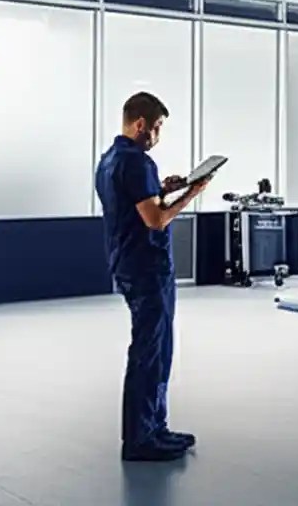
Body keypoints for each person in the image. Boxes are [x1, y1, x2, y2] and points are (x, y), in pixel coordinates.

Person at [95, 91, 212, 462]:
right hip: (148, 267)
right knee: (150, 352)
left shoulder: (109, 160)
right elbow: (156, 219)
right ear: (141, 124)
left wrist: (162, 190)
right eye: (157, 127)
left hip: (127, 262)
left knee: (156, 350)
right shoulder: (139, 162)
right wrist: (192, 193)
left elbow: (136, 204)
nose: (158, 136)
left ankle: (154, 427)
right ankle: (141, 438)